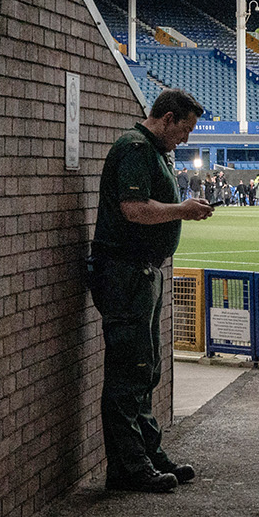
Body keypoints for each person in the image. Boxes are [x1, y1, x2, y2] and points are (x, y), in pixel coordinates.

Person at [89, 89, 215, 493]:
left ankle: (148, 454)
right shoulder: (135, 149)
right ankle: (129, 467)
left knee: (146, 367)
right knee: (130, 370)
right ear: (166, 117)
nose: (187, 138)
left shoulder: (152, 150)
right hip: (125, 274)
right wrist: (183, 210)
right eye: (185, 129)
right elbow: (134, 209)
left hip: (141, 273)